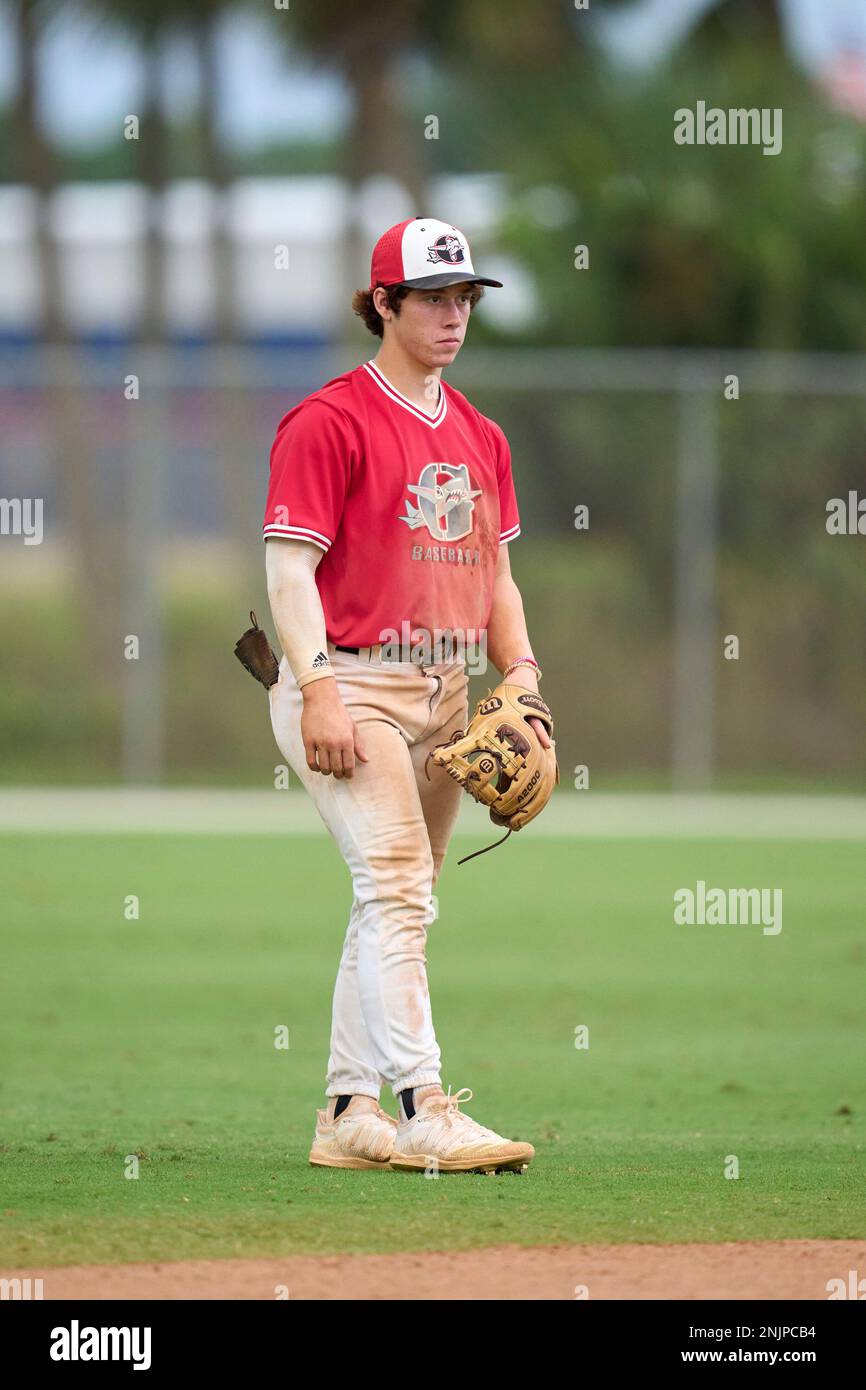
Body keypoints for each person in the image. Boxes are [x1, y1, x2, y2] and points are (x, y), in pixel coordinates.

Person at [264, 217, 550, 1174]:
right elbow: (288, 573)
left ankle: (348, 1111)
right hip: (347, 677)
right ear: (382, 303)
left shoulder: (480, 434)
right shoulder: (329, 420)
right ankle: (425, 1105)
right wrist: (315, 690)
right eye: (433, 297)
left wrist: (525, 678)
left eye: (465, 297)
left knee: (401, 898)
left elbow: (497, 580)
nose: (453, 314)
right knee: (394, 886)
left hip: (445, 689)